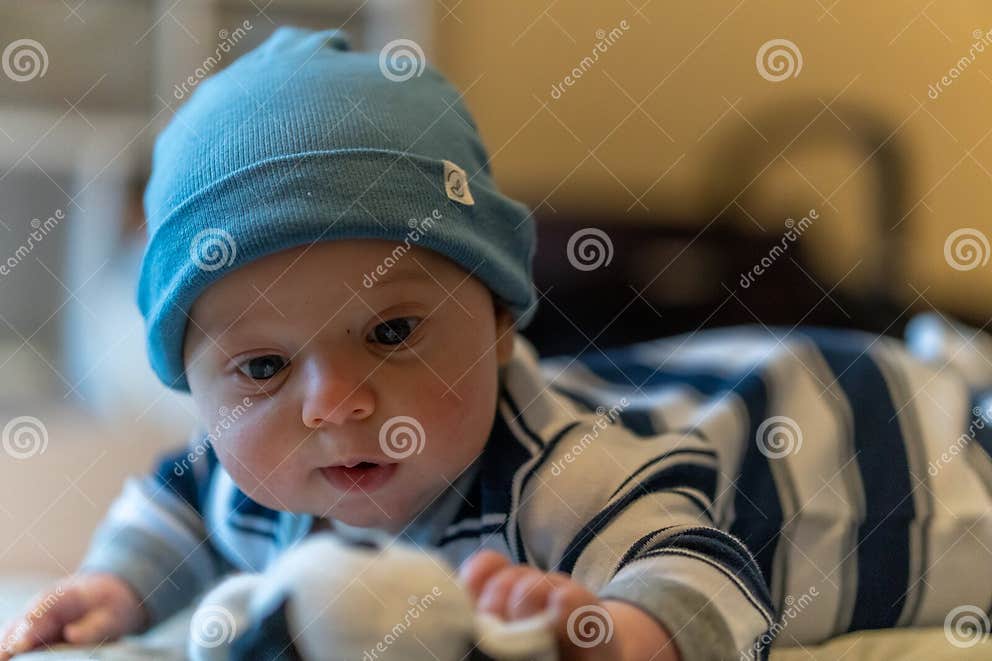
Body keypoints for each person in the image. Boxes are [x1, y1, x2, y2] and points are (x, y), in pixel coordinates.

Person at [3, 26, 991, 661]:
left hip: (901, 442)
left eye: (391, 331)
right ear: (195, 384)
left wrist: (609, 630)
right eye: (260, 367)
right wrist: (112, 586)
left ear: (502, 315)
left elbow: (706, 573)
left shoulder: (561, 476)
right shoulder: (240, 482)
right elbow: (173, 504)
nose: (334, 403)